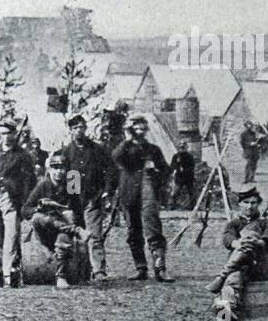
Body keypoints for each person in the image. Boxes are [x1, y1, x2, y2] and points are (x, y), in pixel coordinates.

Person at [112, 115, 173, 281]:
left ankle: (160, 268)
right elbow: (116, 158)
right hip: (129, 193)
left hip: (148, 192)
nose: (139, 131)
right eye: (136, 128)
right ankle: (140, 267)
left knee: (153, 228)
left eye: (142, 128)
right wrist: (127, 140)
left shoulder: (153, 149)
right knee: (133, 230)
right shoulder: (124, 148)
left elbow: (166, 170)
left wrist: (155, 176)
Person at [208, 185, 268, 321]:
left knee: (250, 239)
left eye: (253, 202)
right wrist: (238, 244)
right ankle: (226, 314)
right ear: (240, 204)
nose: (249, 206)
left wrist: (252, 242)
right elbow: (228, 239)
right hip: (239, 268)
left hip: (259, 267)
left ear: (259, 204)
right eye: (246, 202)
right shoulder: (233, 224)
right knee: (236, 273)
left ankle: (221, 278)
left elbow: (267, 240)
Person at [24, 153, 94, 288]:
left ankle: (61, 276)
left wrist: (73, 217)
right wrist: (39, 207)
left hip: (62, 231)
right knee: (39, 218)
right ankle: (75, 230)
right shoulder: (43, 185)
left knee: (64, 237)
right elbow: (25, 209)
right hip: (44, 230)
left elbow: (78, 210)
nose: (58, 172)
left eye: (62, 168)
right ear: (49, 170)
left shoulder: (71, 187)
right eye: (55, 168)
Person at [61, 114, 115, 281]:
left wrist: (106, 191)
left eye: (81, 127)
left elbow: (111, 169)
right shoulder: (67, 152)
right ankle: (76, 270)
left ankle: (99, 270)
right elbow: (66, 177)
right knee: (74, 235)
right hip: (75, 199)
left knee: (94, 235)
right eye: (75, 128)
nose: (79, 131)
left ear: (85, 129)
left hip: (93, 197)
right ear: (70, 130)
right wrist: (70, 200)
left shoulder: (97, 149)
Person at [0, 120, 36, 288]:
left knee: (11, 236)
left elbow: (29, 180)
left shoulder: (22, 155)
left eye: (8, 133)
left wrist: (25, 203)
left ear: (14, 134)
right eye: (2, 133)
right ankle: (0, 269)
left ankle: (11, 272)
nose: (5, 137)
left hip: (12, 200)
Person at [169, 142, 197, 210]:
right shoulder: (176, 156)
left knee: (191, 192)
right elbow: (172, 165)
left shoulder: (189, 156)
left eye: (183, 147)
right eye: (181, 147)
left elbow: (192, 166)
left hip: (188, 177)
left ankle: (193, 206)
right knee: (175, 192)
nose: (182, 149)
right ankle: (172, 205)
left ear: (186, 148)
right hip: (179, 177)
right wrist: (177, 168)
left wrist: (185, 170)